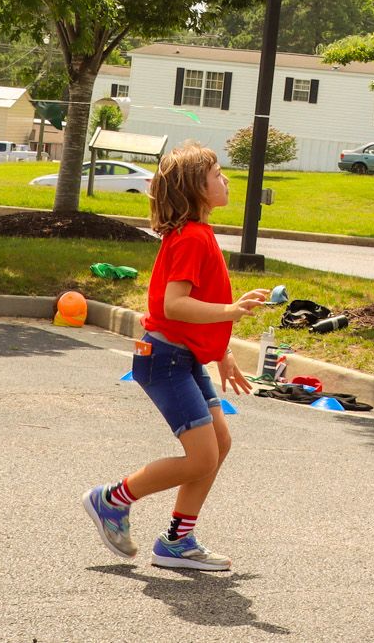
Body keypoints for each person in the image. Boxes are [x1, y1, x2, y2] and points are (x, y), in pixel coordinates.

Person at [82, 142, 267, 571]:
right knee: (202, 456)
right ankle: (112, 499)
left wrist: (222, 353)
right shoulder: (191, 239)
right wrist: (233, 310)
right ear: (195, 189)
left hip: (183, 358)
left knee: (219, 443)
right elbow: (174, 306)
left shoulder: (197, 234)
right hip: (164, 359)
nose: (225, 181)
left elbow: (198, 305)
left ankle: (177, 542)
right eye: (218, 174)